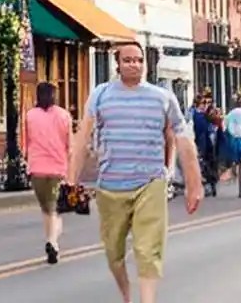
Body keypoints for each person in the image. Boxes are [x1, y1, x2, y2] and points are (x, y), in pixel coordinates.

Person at [67, 42, 202, 303]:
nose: (135, 65)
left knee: (148, 250)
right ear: (117, 64)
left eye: (139, 60)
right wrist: (71, 178)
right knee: (113, 253)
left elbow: (184, 138)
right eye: (128, 60)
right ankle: (127, 295)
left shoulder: (162, 97)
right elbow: (83, 137)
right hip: (110, 186)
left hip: (150, 182)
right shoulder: (101, 95)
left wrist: (194, 183)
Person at [24, 81, 71, 264]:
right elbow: (70, 146)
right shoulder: (64, 116)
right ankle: (52, 241)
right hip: (57, 168)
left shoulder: (30, 115)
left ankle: (52, 239)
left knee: (47, 208)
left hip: (36, 168)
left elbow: (26, 142)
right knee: (53, 209)